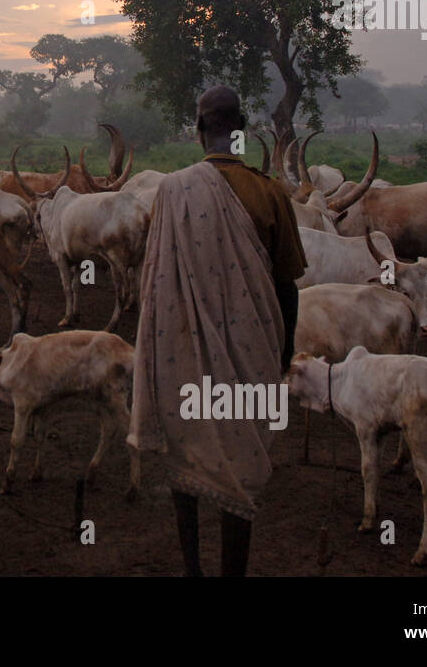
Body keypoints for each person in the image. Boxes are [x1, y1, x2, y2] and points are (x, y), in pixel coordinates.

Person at [129, 85, 306, 576]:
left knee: (186, 451)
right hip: (255, 351)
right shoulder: (269, 191)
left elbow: (157, 283)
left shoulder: (171, 190)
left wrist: (157, 348)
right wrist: (284, 354)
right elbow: (287, 286)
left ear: (198, 130)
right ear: (241, 132)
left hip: (181, 350)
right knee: (242, 458)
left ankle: (192, 569)